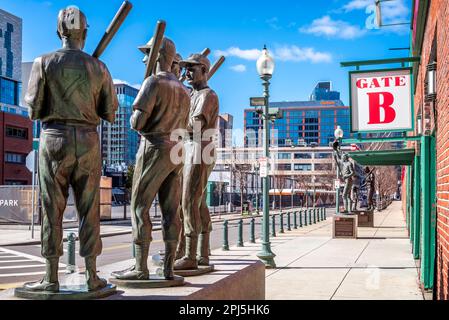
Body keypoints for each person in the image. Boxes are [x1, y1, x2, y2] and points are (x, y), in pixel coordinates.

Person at [23, 7, 118, 292]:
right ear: (85, 33)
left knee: (52, 209)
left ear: (59, 32)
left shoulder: (43, 62)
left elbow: (33, 111)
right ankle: (91, 275)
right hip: (88, 140)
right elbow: (110, 114)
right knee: (89, 210)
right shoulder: (99, 68)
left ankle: (51, 276)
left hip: (54, 139)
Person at [111, 37, 190, 281]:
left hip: (154, 146)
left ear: (157, 56)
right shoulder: (184, 91)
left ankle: (140, 267)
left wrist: (137, 114)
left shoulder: (153, 82)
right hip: (177, 149)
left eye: (147, 54)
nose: (144, 59)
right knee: (171, 210)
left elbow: (137, 123)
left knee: (139, 207)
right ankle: (168, 267)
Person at [174, 54, 219, 270]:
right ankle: (203, 251)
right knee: (197, 201)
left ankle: (190, 254)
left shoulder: (208, 95)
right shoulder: (192, 95)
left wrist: (173, 117)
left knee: (188, 201)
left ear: (204, 70)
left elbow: (196, 126)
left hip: (200, 147)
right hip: (189, 147)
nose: (187, 73)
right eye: (186, 69)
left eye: (192, 68)